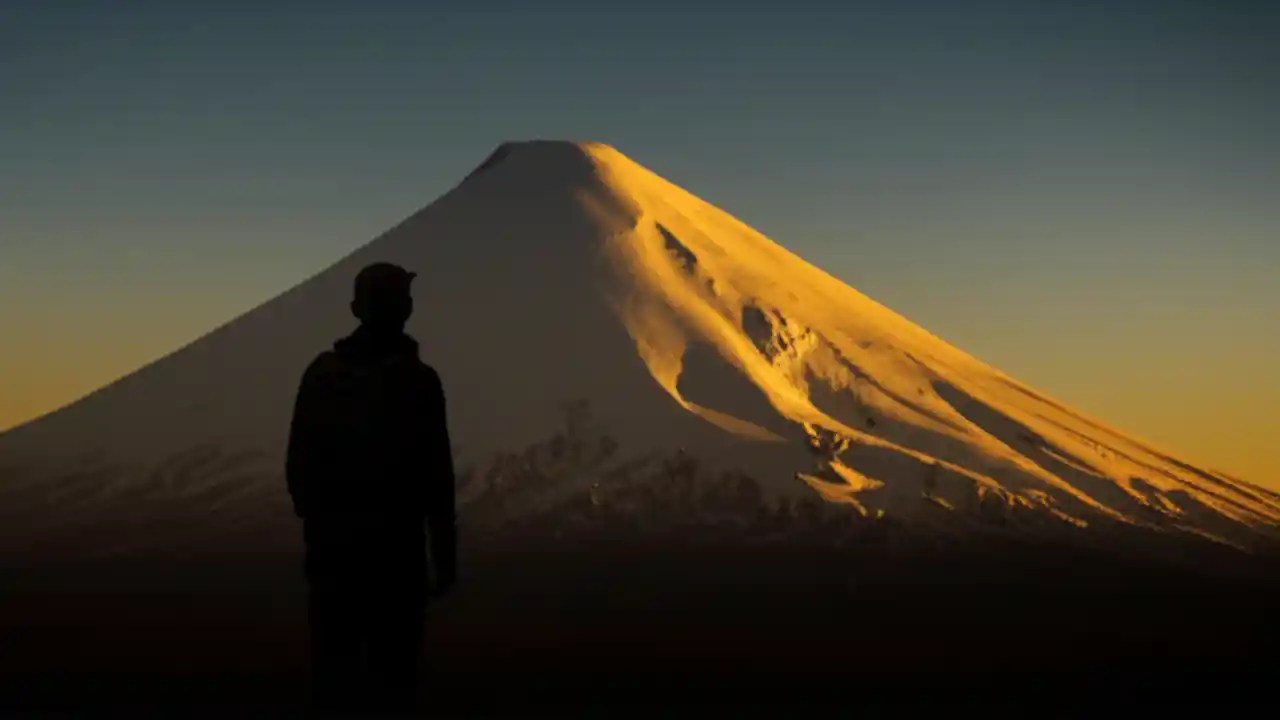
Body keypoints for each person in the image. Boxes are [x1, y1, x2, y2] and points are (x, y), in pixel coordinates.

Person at [285, 262, 456, 715]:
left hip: (335, 556)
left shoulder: (322, 376)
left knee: (335, 675)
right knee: (393, 679)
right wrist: (443, 554)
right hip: (395, 557)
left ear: (356, 308)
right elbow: (436, 476)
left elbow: (298, 464)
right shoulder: (418, 381)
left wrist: (321, 526)